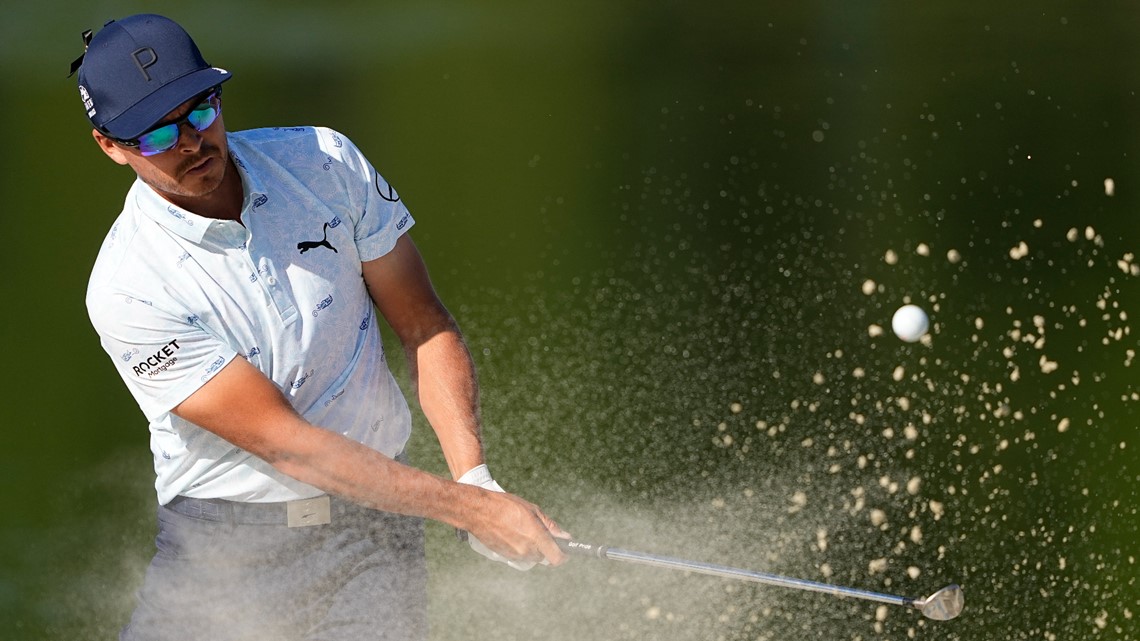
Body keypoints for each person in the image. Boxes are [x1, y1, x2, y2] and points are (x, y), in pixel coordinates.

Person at [72, 13, 568, 641]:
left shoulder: (323, 162)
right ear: (109, 145)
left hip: (373, 535)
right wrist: (471, 511)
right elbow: (288, 444)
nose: (192, 142)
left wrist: (477, 482)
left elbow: (422, 324)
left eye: (200, 112)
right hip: (225, 549)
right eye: (155, 136)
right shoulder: (128, 287)